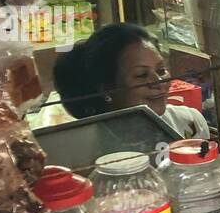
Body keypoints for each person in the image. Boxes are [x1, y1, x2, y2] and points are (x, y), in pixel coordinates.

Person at [52, 23, 209, 138]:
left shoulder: (190, 122)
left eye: (161, 71)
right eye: (141, 75)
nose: (158, 82)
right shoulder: (86, 145)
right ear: (107, 88)